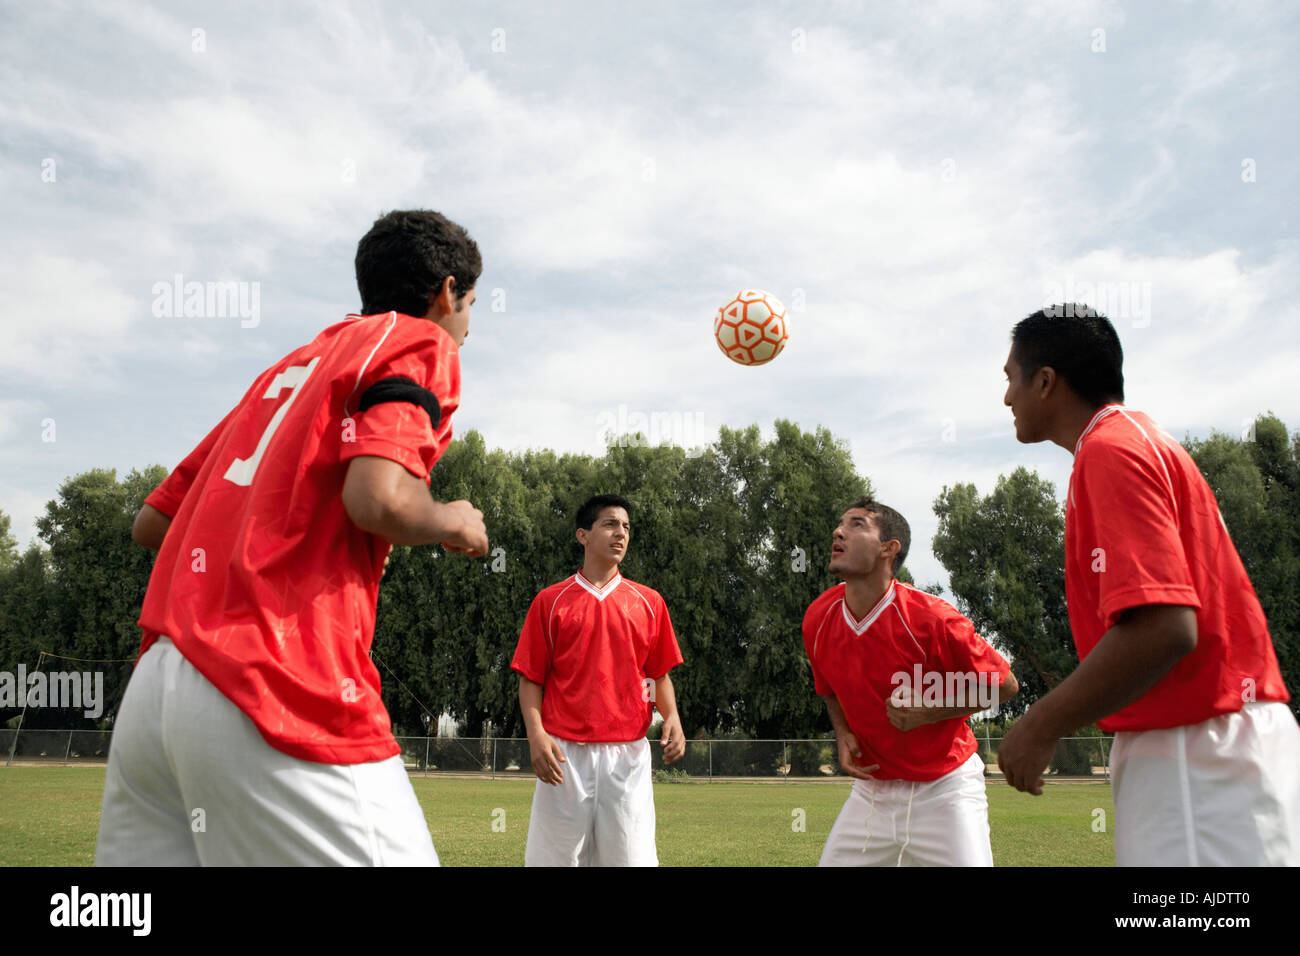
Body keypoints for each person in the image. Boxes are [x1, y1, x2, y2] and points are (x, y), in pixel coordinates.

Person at [95, 209, 490, 866]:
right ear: (447, 292)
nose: (469, 326)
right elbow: (377, 498)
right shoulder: (419, 341)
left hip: (157, 688)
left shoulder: (286, 372)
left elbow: (152, 523)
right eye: (472, 305)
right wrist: (454, 519)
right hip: (272, 678)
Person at [996, 303, 1300, 865]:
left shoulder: (1109, 451)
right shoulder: (1136, 439)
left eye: (1011, 378)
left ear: (1045, 382)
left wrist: (1040, 723)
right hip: (1206, 744)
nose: (1007, 397)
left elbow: (1165, 628)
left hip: (1195, 749)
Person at [803, 498, 1018, 867]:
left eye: (857, 524)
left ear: (889, 549)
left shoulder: (933, 618)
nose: (838, 532)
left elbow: (1004, 685)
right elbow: (829, 689)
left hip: (946, 788)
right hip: (872, 792)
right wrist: (842, 732)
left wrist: (929, 711)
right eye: (840, 524)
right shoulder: (818, 617)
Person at [511, 494, 685, 866]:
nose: (620, 533)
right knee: (553, 861)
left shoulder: (649, 602)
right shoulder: (550, 602)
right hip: (564, 755)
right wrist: (536, 735)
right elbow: (530, 679)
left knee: (631, 860)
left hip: (627, 755)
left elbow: (658, 675)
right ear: (583, 535)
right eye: (610, 524)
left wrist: (671, 716)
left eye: (626, 527)